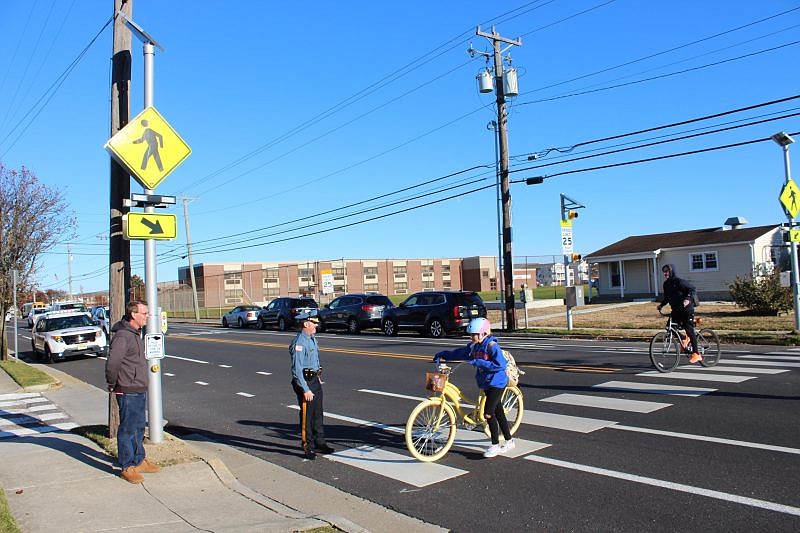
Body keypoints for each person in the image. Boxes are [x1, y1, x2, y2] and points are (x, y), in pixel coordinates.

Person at [434, 317, 515, 458]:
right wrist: (444, 355)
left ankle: (495, 445)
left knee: (488, 413)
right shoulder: (474, 346)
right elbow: (460, 353)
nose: (472, 337)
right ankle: (509, 441)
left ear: (483, 333)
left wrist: (480, 362)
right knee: (499, 412)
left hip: (497, 383)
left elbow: (500, 365)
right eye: (471, 335)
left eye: (474, 334)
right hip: (486, 382)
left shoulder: (492, 346)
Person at [105, 300, 161, 484]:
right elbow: (113, 363)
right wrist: (112, 384)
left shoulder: (135, 334)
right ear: (133, 315)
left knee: (138, 427)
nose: (147, 317)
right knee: (127, 429)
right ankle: (126, 466)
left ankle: (139, 460)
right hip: (127, 389)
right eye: (144, 313)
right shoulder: (123, 336)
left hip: (138, 387)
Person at [290, 311, 334, 460]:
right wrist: (306, 389)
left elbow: (314, 361)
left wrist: (318, 377)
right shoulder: (299, 343)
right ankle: (307, 446)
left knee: (318, 413)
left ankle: (320, 442)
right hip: (305, 384)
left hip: (314, 380)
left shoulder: (312, 338)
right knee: (307, 416)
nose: (316, 325)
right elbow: (297, 370)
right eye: (313, 323)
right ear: (306, 324)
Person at [657, 264, 701, 363]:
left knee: (689, 329)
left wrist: (688, 299)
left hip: (687, 309)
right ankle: (684, 339)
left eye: (667, 271)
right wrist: (661, 305)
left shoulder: (679, 281)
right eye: (664, 272)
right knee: (669, 328)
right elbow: (667, 298)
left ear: (672, 271)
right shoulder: (666, 284)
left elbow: (692, 289)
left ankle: (696, 354)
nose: (665, 273)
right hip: (676, 310)